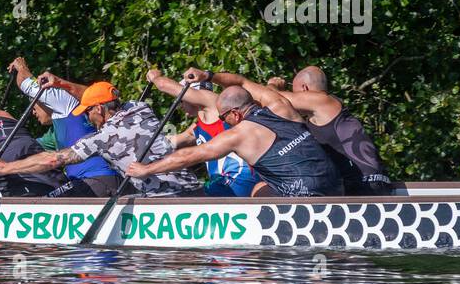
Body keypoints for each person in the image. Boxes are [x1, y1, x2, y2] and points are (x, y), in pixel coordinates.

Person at [124, 73, 342, 197]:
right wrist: (208, 74)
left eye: (223, 117)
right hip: (335, 186)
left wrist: (146, 169)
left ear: (236, 114)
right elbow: (244, 82)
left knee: (257, 191)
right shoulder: (280, 105)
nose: (221, 122)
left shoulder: (241, 134)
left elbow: (190, 156)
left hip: (304, 196)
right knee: (260, 186)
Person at [0, 75, 202, 197]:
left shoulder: (101, 138)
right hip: (193, 188)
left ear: (99, 109)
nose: (86, 117)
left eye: (87, 111)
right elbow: (96, 94)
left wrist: (6, 168)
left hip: (166, 199)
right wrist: (60, 83)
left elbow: (54, 159)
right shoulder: (140, 107)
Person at [256, 66, 392, 195]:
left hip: (364, 185)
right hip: (370, 184)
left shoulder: (324, 101)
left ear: (305, 88)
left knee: (261, 189)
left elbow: (276, 100)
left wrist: (273, 86)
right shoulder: (321, 117)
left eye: (294, 92)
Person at [8, 57, 119, 197]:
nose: (33, 111)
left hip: (95, 179)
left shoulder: (63, 102)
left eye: (35, 105)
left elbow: (25, 83)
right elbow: (28, 148)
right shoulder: (55, 131)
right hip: (95, 181)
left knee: (40, 206)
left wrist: (21, 67)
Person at [147, 69, 259, 197]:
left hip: (239, 178)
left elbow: (163, 85)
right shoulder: (198, 125)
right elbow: (172, 141)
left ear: (192, 95)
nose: (179, 105)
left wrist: (156, 77)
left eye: (181, 100)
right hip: (223, 182)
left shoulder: (212, 102)